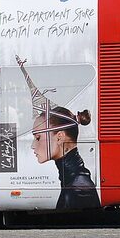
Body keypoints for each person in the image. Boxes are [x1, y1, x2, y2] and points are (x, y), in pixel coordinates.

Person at [18, 56, 99, 209]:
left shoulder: (77, 190)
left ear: (60, 136)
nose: (32, 146)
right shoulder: (74, 181)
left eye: (37, 137)